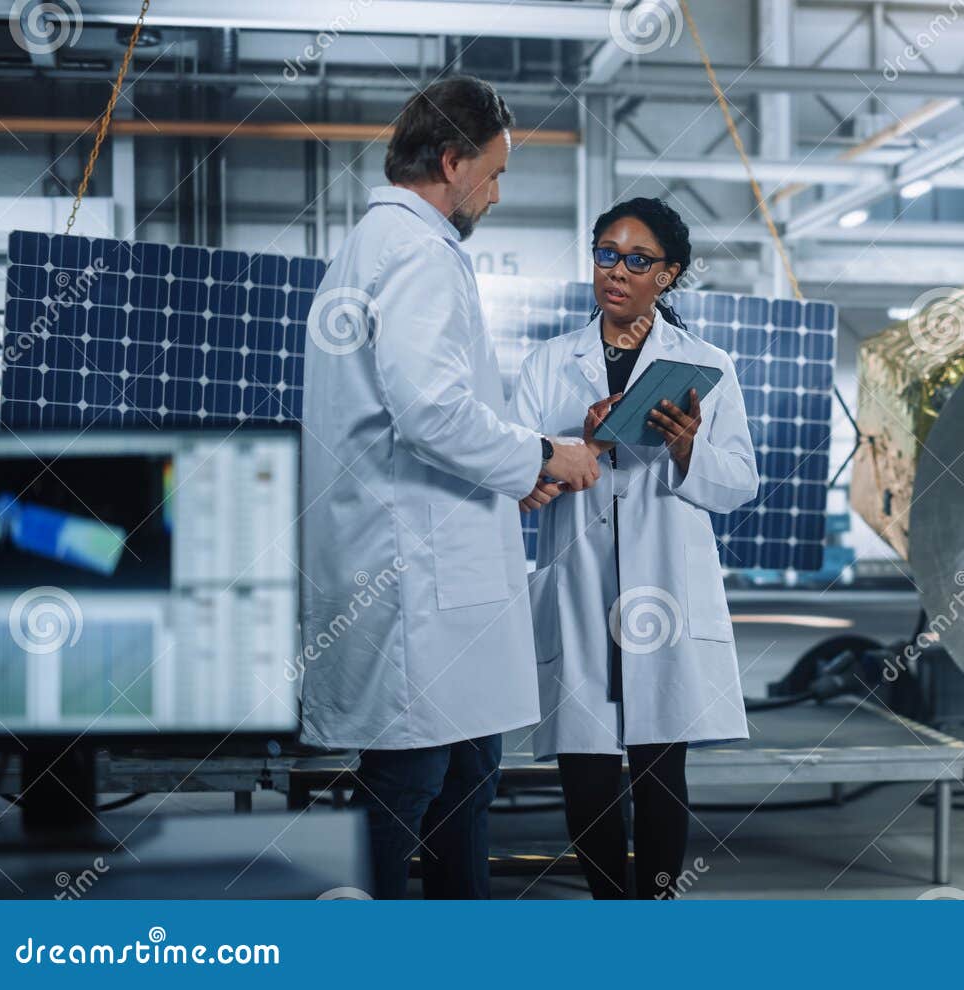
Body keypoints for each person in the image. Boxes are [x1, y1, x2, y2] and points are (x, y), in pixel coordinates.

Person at [299, 76, 602, 899]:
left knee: (467, 779)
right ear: (450, 160)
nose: (498, 195)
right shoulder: (418, 252)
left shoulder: (380, 247)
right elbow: (429, 410)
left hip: (430, 572)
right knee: (411, 790)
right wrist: (546, 451)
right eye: (495, 174)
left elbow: (427, 417)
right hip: (416, 589)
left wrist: (517, 472)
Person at [512, 197, 758, 899]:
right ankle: (609, 911)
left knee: (659, 771)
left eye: (637, 261)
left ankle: (649, 919)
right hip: (581, 585)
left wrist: (685, 447)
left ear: (669, 275)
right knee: (585, 770)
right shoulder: (549, 363)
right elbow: (512, 471)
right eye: (606, 254)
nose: (616, 272)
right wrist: (582, 442)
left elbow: (738, 481)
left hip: (664, 588)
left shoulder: (704, 365)